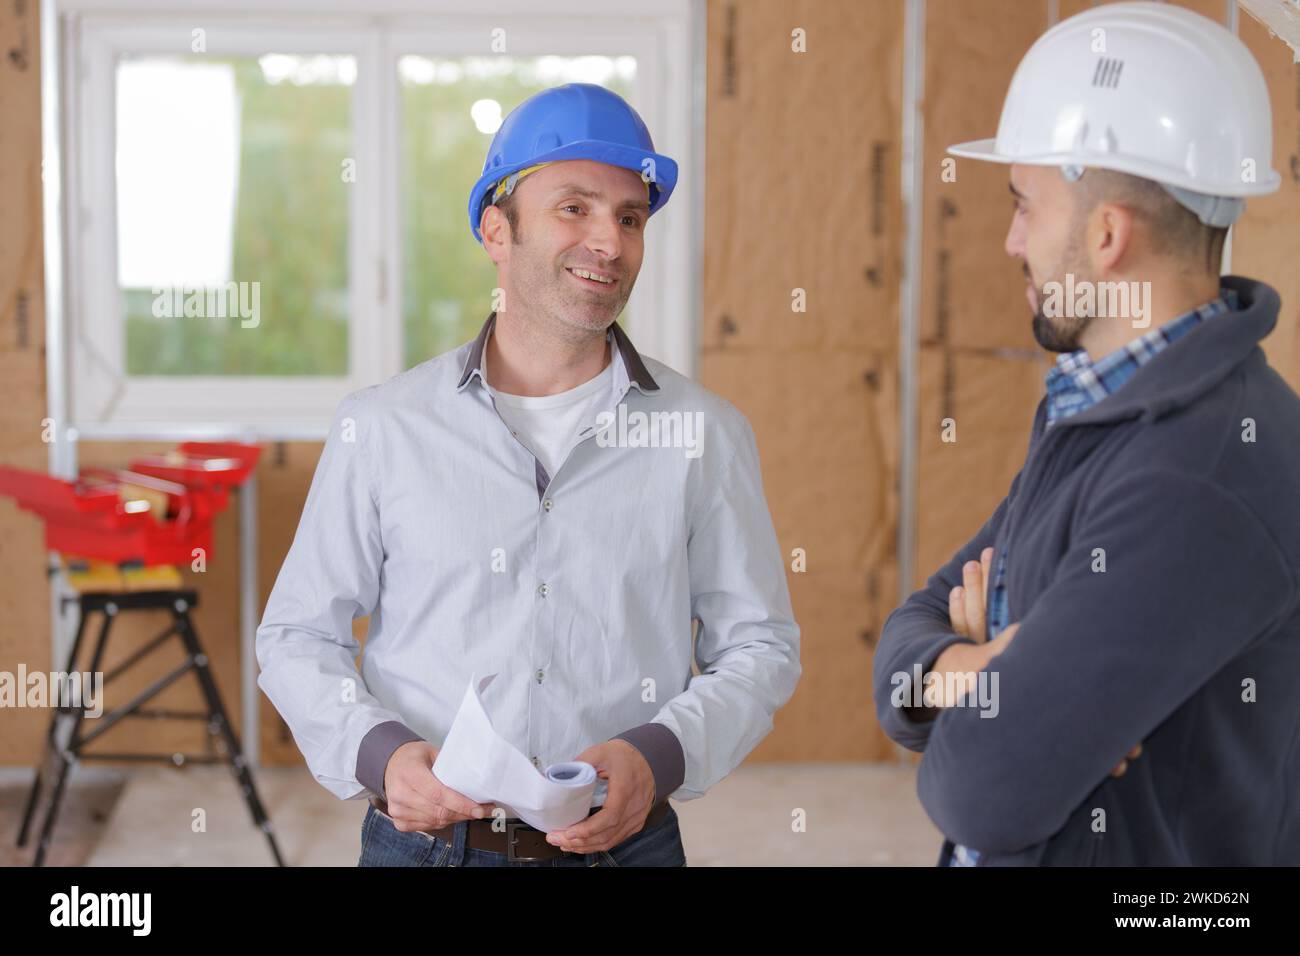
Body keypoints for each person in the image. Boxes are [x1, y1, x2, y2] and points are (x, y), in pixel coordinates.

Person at [256, 82, 801, 867]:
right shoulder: (383, 426)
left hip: (627, 846)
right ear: (495, 231)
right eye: (573, 208)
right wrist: (381, 756)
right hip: (423, 846)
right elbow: (297, 635)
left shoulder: (705, 433)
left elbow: (760, 646)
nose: (610, 243)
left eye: (630, 217)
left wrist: (660, 754)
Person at [874, 2, 1300, 865]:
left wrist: (973, 674)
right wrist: (974, 667)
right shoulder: (1101, 409)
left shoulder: (1199, 472)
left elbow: (982, 789)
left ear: (1106, 235)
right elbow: (905, 645)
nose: (1009, 241)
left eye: (1026, 205)